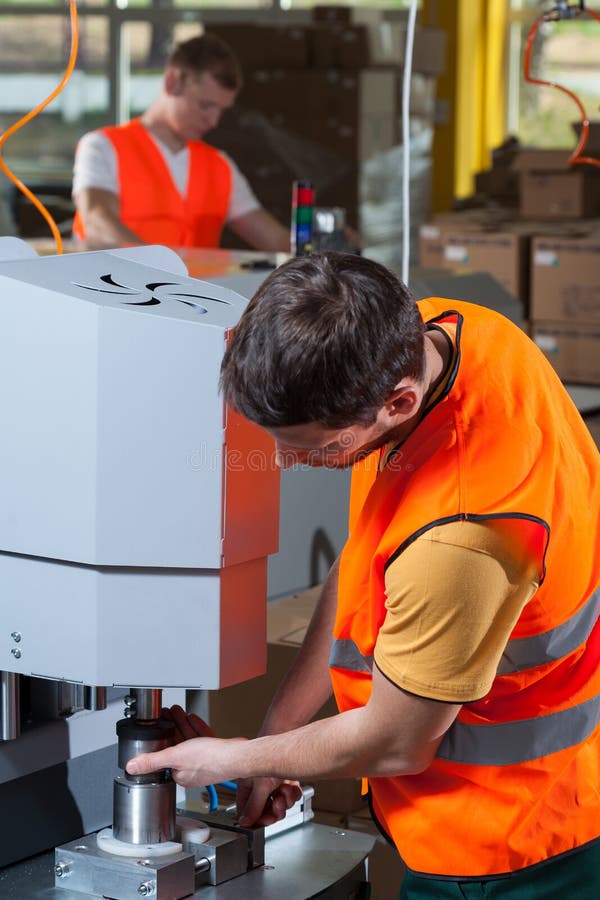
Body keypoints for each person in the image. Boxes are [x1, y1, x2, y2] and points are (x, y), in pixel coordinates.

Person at [127, 253, 600, 897]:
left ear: (397, 402)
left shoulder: (464, 542)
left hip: (510, 839)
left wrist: (231, 759)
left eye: (314, 447)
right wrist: (276, 740)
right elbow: (366, 571)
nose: (288, 465)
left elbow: (396, 741)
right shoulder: (448, 334)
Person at [72, 33, 290, 252]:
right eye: (205, 105)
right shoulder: (103, 147)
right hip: (117, 285)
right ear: (172, 82)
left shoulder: (220, 167)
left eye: (221, 110)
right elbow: (96, 223)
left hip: (195, 287)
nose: (213, 121)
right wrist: (157, 267)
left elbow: (276, 241)